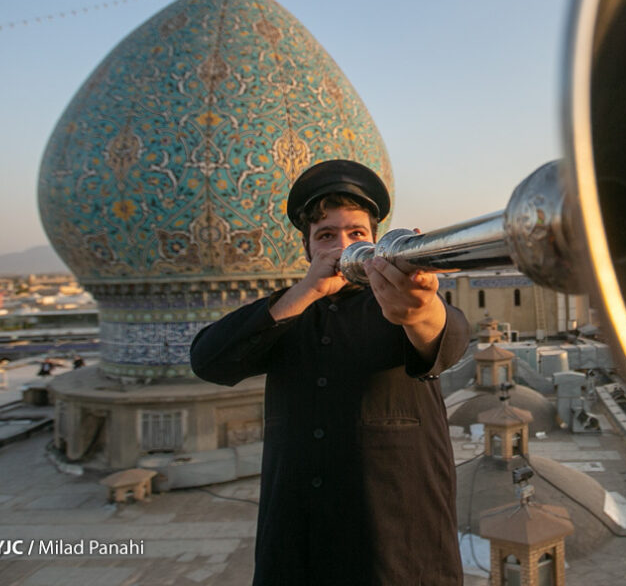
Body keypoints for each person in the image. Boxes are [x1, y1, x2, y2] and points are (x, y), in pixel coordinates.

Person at [189, 159, 468, 585]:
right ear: (307, 249)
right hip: (298, 552)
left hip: (397, 553)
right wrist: (305, 292)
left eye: (356, 234)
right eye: (326, 236)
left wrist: (420, 309)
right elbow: (208, 360)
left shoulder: (396, 304)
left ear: (374, 241)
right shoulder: (287, 314)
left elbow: (446, 340)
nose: (342, 246)